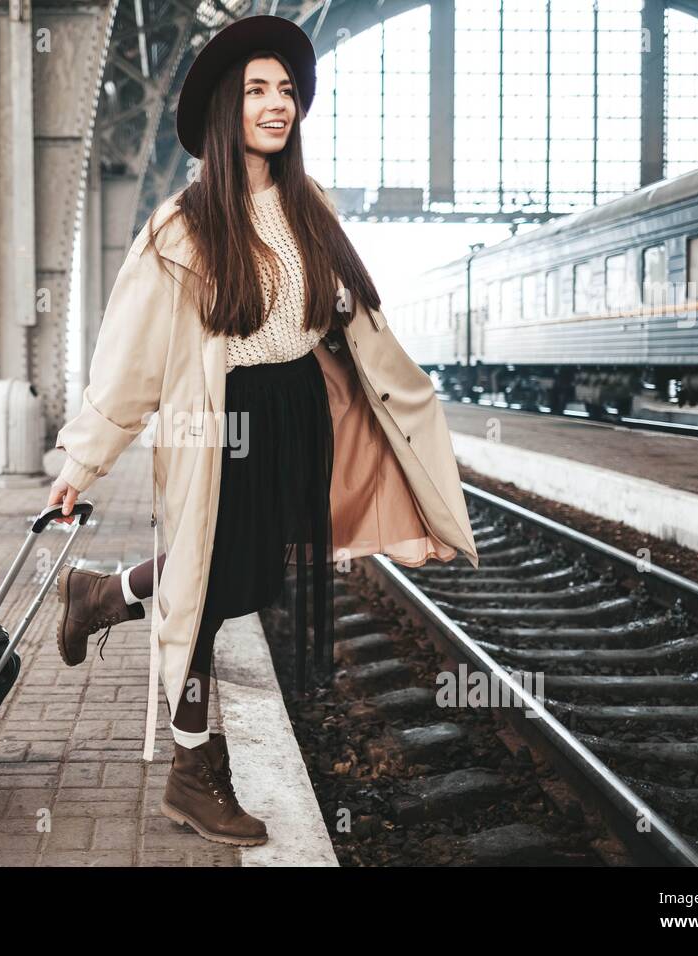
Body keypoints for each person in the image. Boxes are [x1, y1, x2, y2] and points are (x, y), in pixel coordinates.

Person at [47, 16, 479, 847]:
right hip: (225, 424)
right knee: (208, 596)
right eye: (257, 91)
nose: (277, 104)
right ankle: (194, 770)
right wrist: (83, 462)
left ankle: (104, 595)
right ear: (223, 107)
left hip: (298, 415)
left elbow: (356, 325)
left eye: (286, 91)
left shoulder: (309, 207)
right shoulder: (181, 230)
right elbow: (129, 360)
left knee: (247, 581)